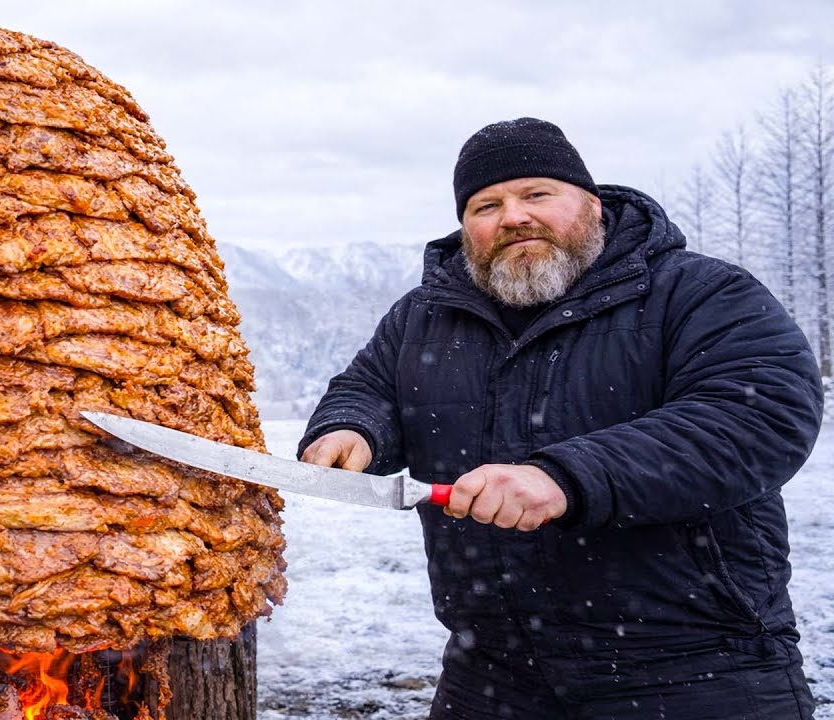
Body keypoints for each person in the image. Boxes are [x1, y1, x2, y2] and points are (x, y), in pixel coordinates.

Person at [297, 117, 823, 719]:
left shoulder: (701, 293)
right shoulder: (426, 315)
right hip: (491, 670)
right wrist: (351, 427)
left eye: (536, 194)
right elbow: (369, 388)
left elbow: (756, 416)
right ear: (467, 228)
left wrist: (566, 476)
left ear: (594, 205)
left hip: (694, 666)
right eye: (486, 205)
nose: (513, 216)